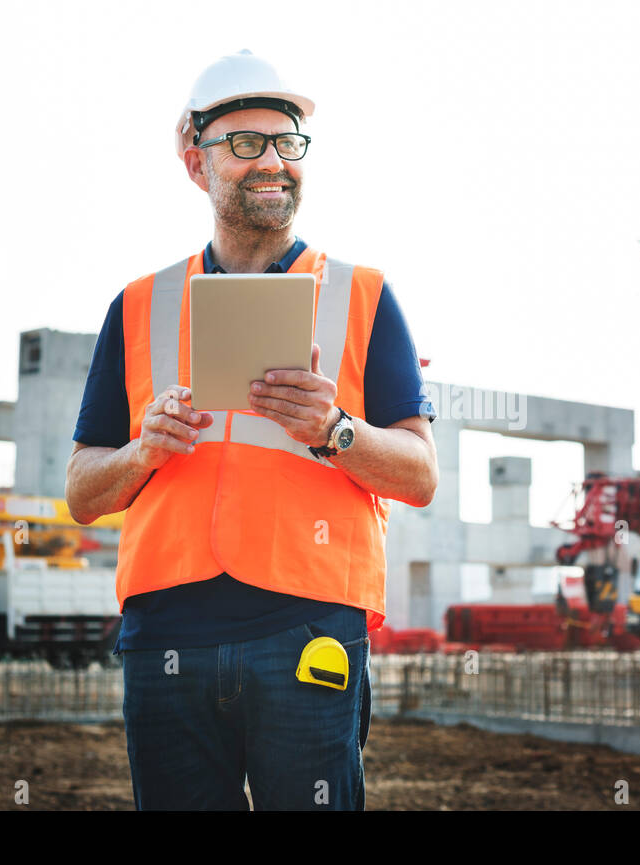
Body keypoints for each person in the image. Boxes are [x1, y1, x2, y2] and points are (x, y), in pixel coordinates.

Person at [64, 50, 438, 811]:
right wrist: (143, 450)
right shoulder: (138, 305)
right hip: (168, 635)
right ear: (195, 160)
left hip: (308, 633)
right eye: (245, 143)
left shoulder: (364, 296)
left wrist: (335, 429)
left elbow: (420, 475)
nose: (272, 161)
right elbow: (80, 491)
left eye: (287, 143)